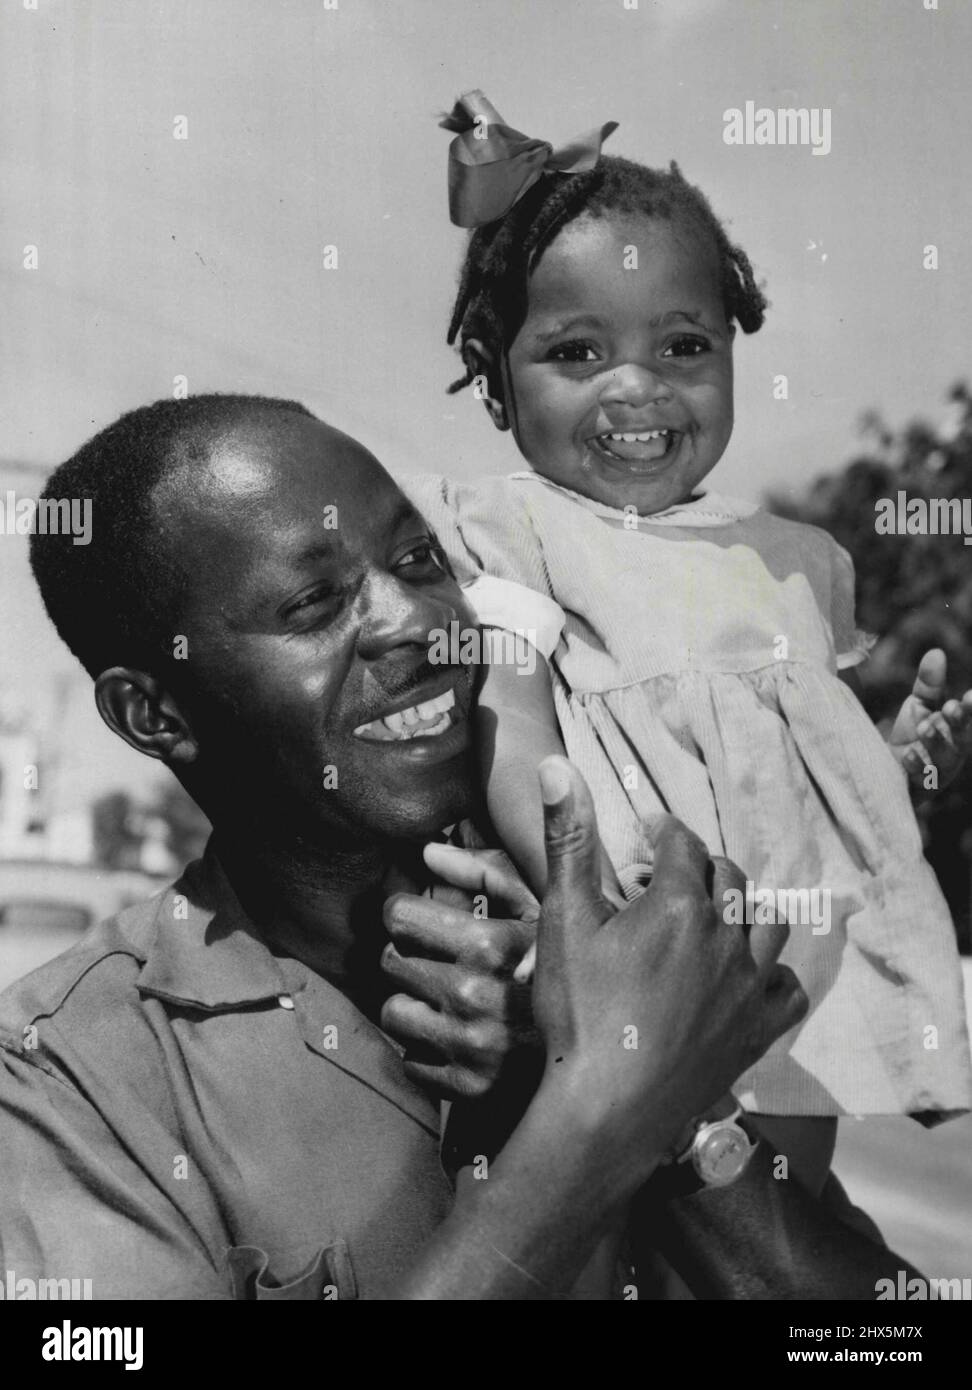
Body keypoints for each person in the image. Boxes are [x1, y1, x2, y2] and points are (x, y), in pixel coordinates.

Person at [0, 395, 911, 1299]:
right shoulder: (68, 1079)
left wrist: (676, 1115)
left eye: (419, 557)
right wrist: (599, 1116)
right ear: (154, 714)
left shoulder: (609, 947)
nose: (419, 619)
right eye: (315, 603)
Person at [407, 91, 972, 1120]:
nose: (637, 388)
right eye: (576, 353)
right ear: (494, 387)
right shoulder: (513, 530)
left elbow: (803, 785)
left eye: (681, 347)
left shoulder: (793, 560)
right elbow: (513, 723)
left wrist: (894, 771)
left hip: (790, 974)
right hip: (624, 956)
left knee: (783, 1192)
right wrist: (589, 911)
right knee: (631, 1220)